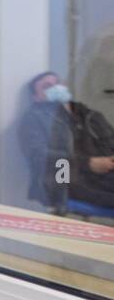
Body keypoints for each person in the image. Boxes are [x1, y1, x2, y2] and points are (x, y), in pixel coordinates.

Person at [19, 71, 114, 211]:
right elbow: (39, 156)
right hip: (66, 180)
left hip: (104, 174)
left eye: (57, 83)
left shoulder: (90, 115)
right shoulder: (33, 119)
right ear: (36, 97)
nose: (55, 87)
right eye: (47, 86)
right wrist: (88, 163)